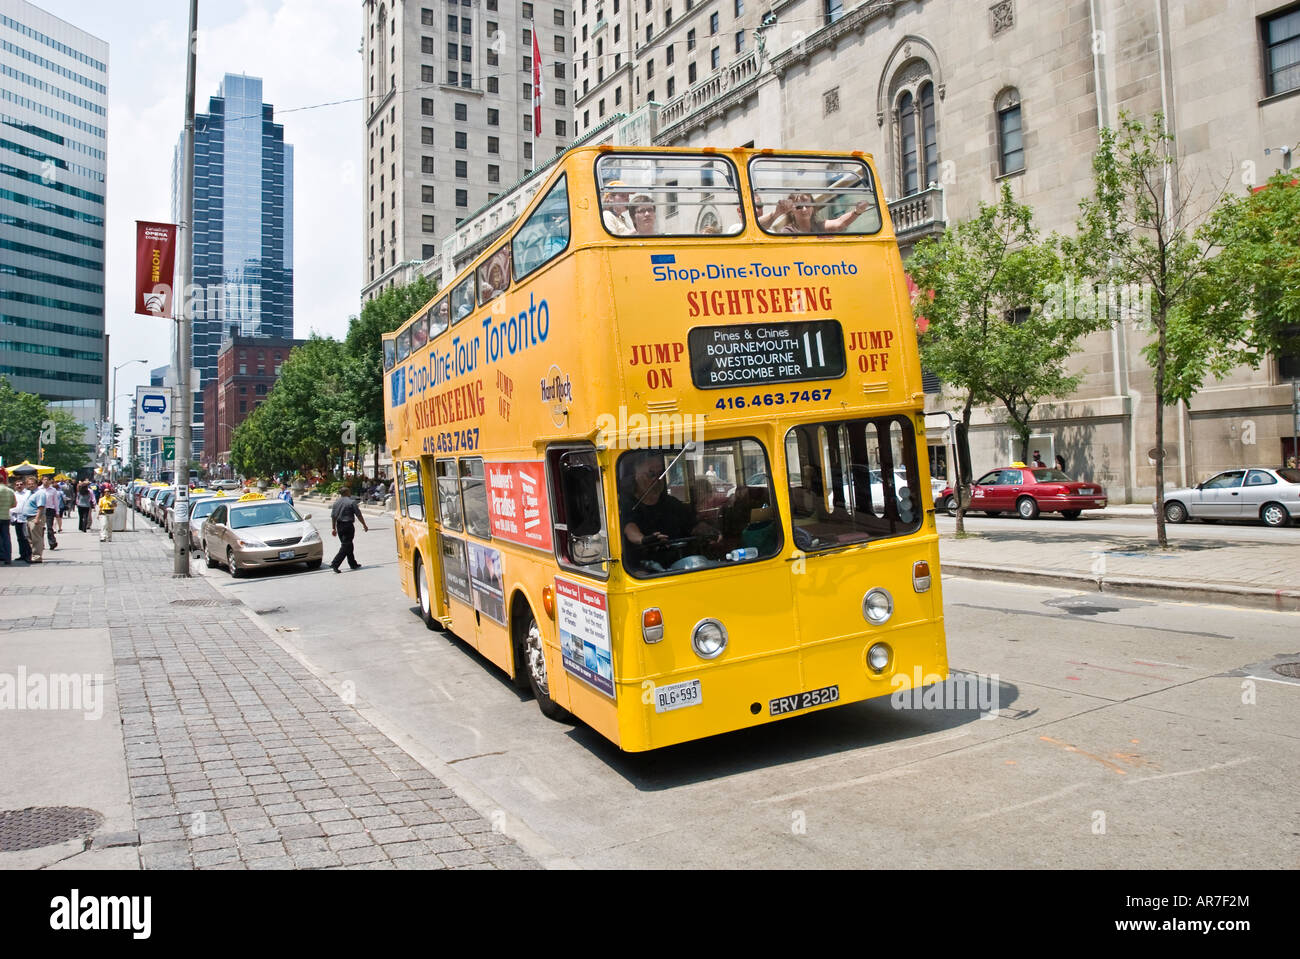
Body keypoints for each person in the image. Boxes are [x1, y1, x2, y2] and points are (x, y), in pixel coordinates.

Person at [619, 451, 719, 569]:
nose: (657, 480)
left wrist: (709, 531)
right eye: (651, 474)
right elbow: (630, 528)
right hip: (644, 569)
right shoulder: (627, 504)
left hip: (680, 565)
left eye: (661, 474)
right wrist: (644, 540)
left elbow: (693, 525)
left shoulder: (672, 503)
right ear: (636, 475)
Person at [329, 484, 369, 573]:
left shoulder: (336, 503)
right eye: (349, 491)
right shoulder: (351, 502)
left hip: (339, 526)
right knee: (346, 545)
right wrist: (364, 525)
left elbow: (333, 516)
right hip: (348, 526)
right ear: (346, 492)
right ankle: (335, 563)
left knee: (348, 545)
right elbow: (359, 515)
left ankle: (352, 563)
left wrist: (333, 528)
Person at [23, 476, 46, 563]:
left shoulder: (39, 493)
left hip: (35, 517)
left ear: (36, 484)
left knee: (36, 538)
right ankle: (33, 555)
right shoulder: (30, 493)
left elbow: (41, 507)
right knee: (31, 538)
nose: (30, 485)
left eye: (32, 484)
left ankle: (37, 557)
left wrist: (37, 518)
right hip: (29, 518)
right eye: (29, 484)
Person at [9, 477, 31, 564]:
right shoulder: (14, 494)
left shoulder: (28, 493)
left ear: (24, 485)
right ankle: (22, 554)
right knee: (20, 538)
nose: (19, 486)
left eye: (21, 484)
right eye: (17, 485)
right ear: (14, 486)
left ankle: (28, 554)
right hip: (16, 518)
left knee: (26, 537)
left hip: (26, 518)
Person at [0, 476, 14, 565]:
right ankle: (7, 558)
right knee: (6, 538)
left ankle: (1, 555)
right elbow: (14, 504)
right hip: (6, 517)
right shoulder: (10, 491)